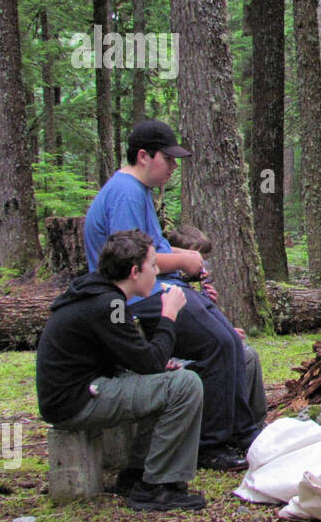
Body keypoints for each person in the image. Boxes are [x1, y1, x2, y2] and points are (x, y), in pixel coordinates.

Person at [83, 121, 265, 472]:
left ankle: (244, 434)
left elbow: (151, 255)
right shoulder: (125, 193)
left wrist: (185, 269)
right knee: (218, 344)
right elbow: (130, 262)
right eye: (168, 159)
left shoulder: (137, 192)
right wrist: (185, 259)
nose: (173, 167)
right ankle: (211, 444)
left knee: (230, 341)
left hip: (158, 289)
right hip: (136, 299)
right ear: (143, 156)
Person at [36, 230, 207, 512]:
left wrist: (155, 364)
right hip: (75, 400)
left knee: (171, 380)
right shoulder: (110, 303)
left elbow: (135, 356)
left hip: (79, 390)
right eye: (152, 266)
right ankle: (158, 488)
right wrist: (169, 315)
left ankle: (138, 474)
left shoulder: (101, 294)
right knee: (184, 385)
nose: (156, 272)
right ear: (134, 271)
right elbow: (150, 362)